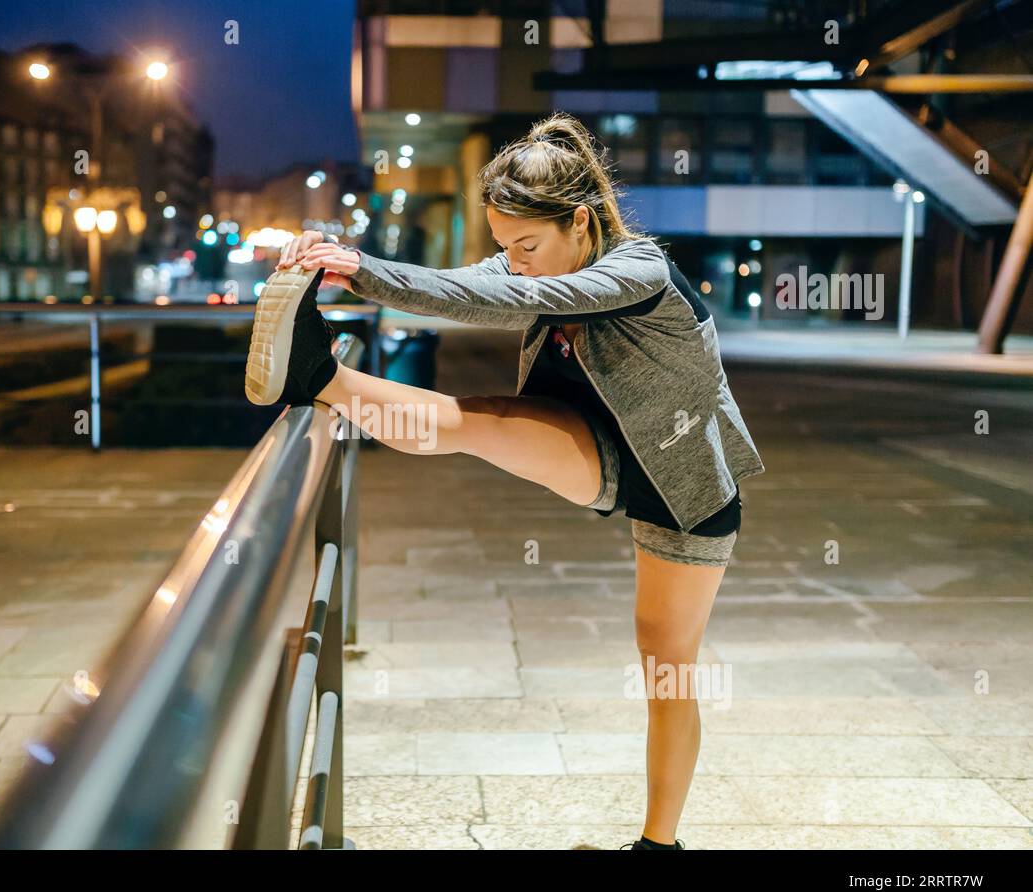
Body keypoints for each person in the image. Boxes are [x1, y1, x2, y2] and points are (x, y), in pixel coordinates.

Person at [244, 112, 765, 850]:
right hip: (605, 449)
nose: (514, 262)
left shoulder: (637, 271)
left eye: (527, 245)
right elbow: (463, 285)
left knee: (667, 669)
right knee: (478, 422)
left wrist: (360, 270)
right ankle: (316, 373)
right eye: (503, 246)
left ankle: (660, 844)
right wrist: (350, 262)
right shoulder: (530, 262)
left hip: (685, 489)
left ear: (580, 222)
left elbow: (504, 301)